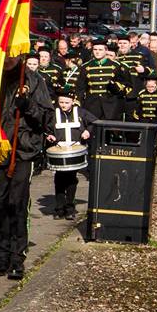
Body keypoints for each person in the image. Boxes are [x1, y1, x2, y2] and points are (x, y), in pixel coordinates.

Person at [0, 55, 53, 280]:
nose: (9, 58)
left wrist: (29, 107)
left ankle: (17, 258)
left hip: (21, 151)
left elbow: (46, 118)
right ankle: (1, 256)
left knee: (17, 203)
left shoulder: (33, 81)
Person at [46, 91, 96, 220]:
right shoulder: (54, 113)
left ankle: (69, 208)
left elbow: (94, 122)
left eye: (66, 102)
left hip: (75, 150)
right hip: (59, 150)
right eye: (61, 102)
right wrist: (49, 135)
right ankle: (59, 208)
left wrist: (87, 131)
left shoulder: (80, 112)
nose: (63, 105)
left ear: (73, 101)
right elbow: (46, 127)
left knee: (71, 179)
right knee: (59, 179)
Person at [76, 38, 131, 121]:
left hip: (111, 105)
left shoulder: (116, 66)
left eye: (100, 50)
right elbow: (80, 87)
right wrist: (78, 102)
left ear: (106, 51)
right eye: (95, 49)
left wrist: (116, 87)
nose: (97, 52)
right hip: (92, 104)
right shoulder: (85, 67)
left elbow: (126, 84)